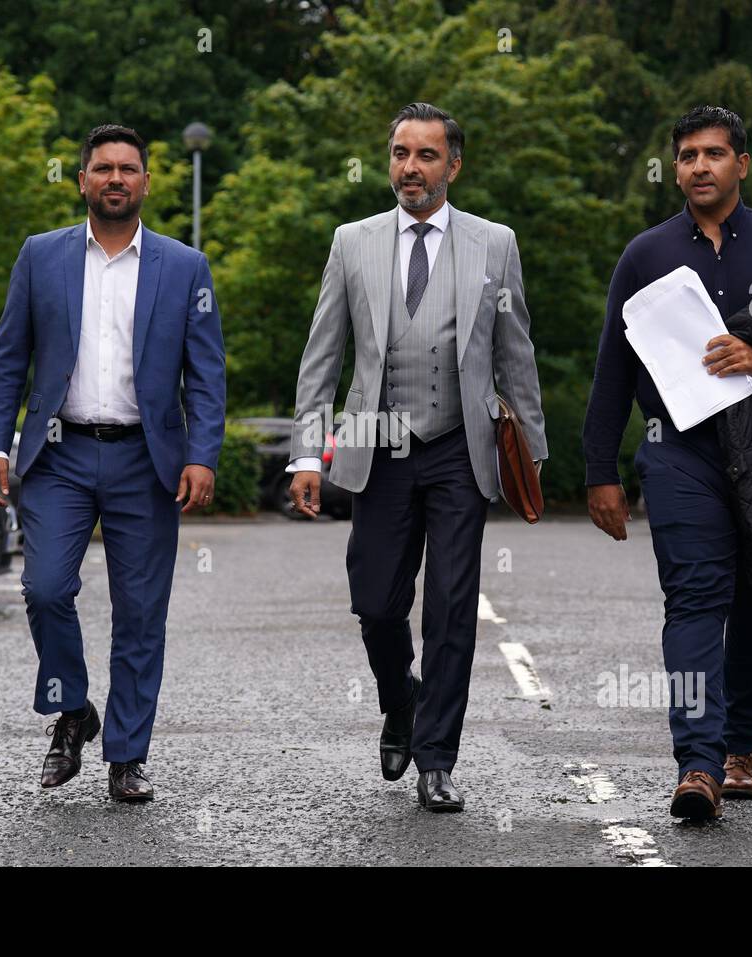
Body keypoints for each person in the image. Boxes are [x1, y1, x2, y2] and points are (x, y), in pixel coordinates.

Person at [582, 106, 752, 820]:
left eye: (712, 154)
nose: (698, 166)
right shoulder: (645, 255)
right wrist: (600, 471)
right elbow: (613, 369)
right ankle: (697, 764)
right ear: (674, 167)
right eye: (686, 156)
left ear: (741, 164)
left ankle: (741, 744)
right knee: (696, 597)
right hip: (681, 453)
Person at [287, 102, 546, 813]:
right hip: (378, 446)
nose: (410, 167)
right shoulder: (353, 241)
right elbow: (323, 356)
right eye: (400, 153)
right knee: (374, 602)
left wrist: (533, 451)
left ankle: (437, 759)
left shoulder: (494, 243)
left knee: (453, 608)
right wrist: (306, 452)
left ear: (453, 165)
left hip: (461, 447)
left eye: (426, 155)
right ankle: (400, 701)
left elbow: (514, 352)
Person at [0, 124, 226, 802]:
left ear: (146, 182)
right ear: (82, 180)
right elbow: (8, 362)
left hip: (146, 461)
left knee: (141, 613)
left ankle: (126, 754)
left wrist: (202, 453)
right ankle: (72, 708)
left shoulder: (184, 267)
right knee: (46, 589)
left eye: (128, 169)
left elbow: (206, 374)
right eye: (102, 168)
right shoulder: (41, 256)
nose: (115, 179)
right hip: (56, 455)